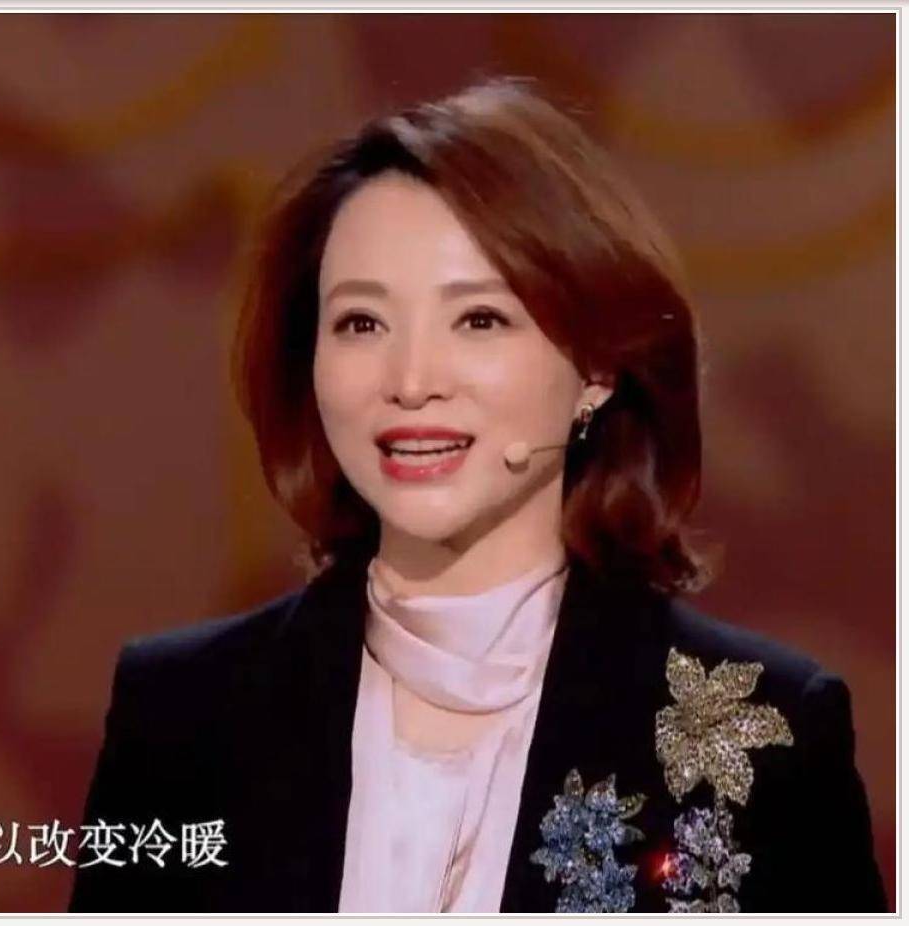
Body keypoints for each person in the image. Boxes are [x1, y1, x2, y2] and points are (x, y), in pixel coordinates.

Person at [68, 76, 886, 913]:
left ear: (596, 368)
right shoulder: (183, 711)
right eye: (361, 323)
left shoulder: (765, 729)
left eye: (479, 320)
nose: (411, 380)